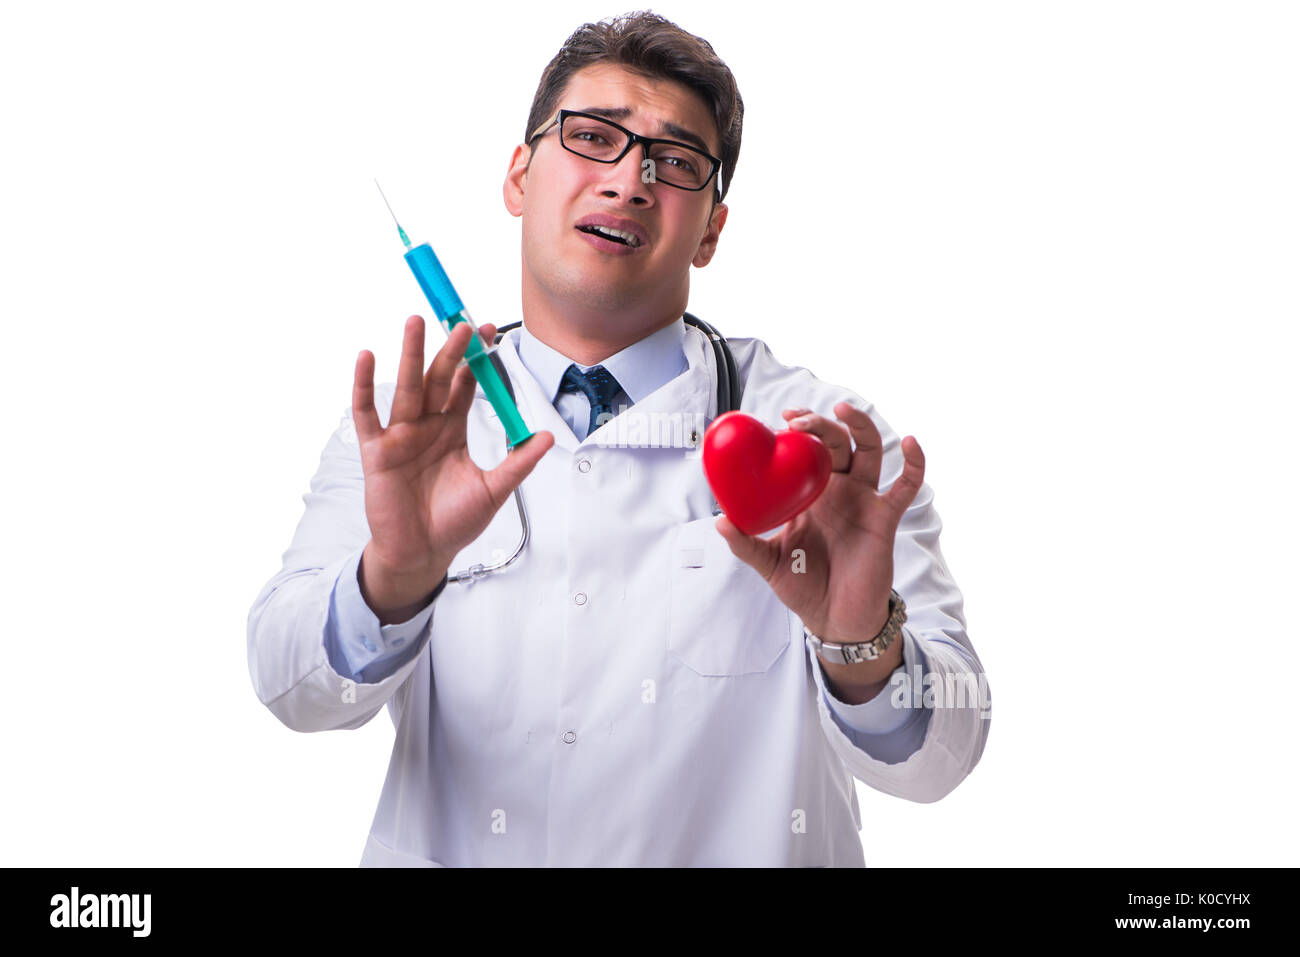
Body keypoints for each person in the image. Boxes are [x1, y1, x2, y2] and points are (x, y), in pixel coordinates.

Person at [247, 11, 990, 867]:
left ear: (710, 228)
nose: (629, 179)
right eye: (593, 137)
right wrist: (392, 582)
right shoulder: (408, 422)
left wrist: (861, 641)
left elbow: (943, 759)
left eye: (674, 162)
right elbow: (290, 686)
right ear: (519, 175)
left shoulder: (831, 449)